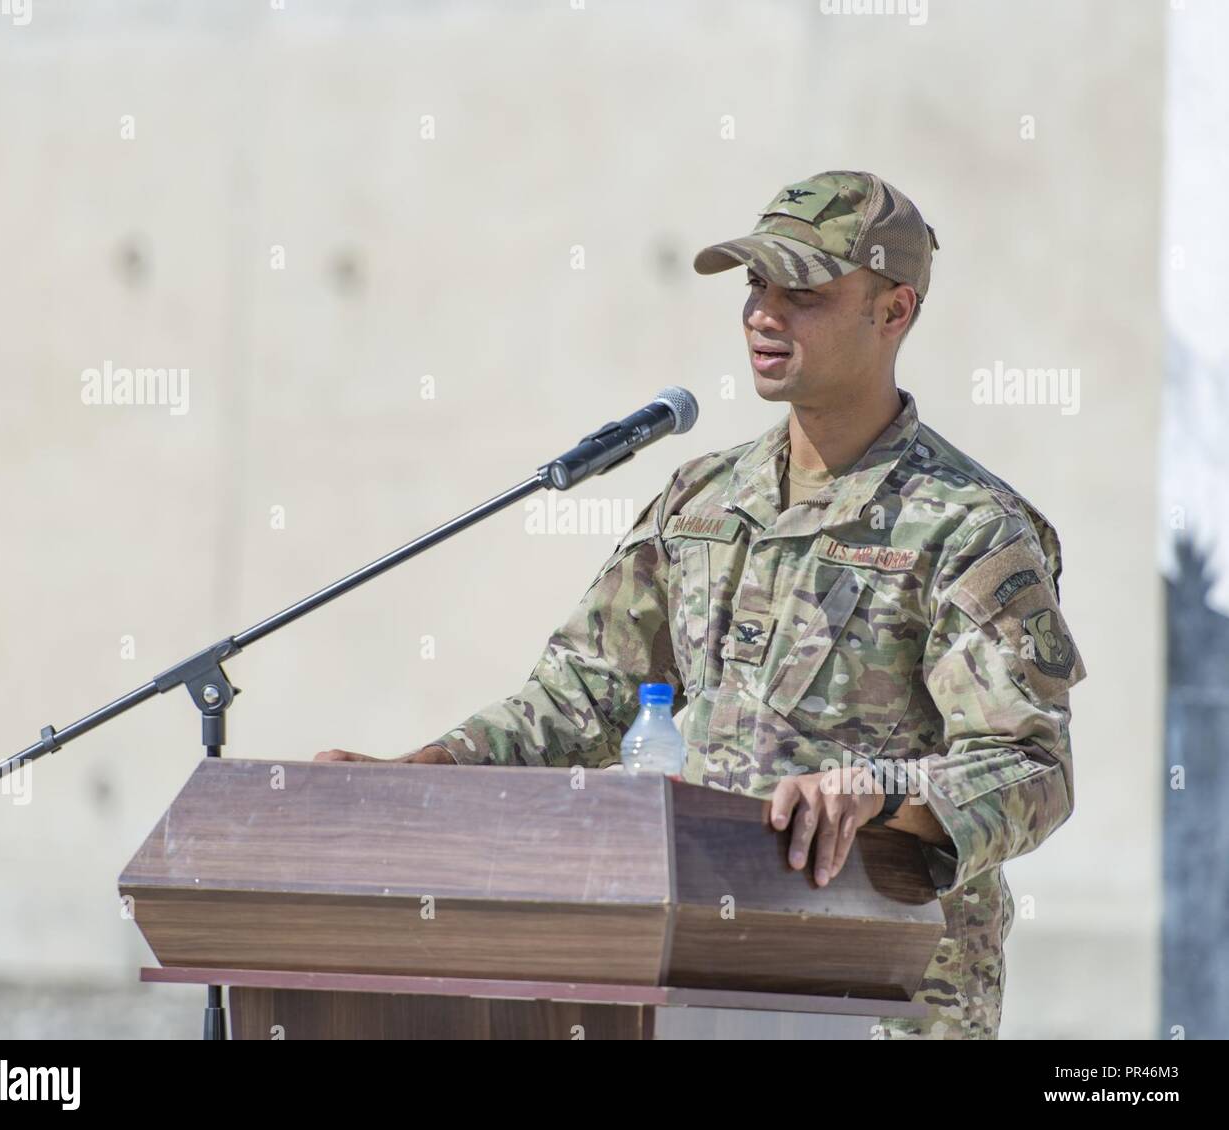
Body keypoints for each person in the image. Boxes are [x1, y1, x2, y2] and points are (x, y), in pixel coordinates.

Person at [318, 171, 1086, 1039]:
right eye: (756, 285)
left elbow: (1033, 768)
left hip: (888, 998)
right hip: (705, 980)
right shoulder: (703, 500)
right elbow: (583, 695)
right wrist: (429, 774)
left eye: (803, 291)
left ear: (894, 310)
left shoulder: (971, 527)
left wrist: (879, 790)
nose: (764, 313)